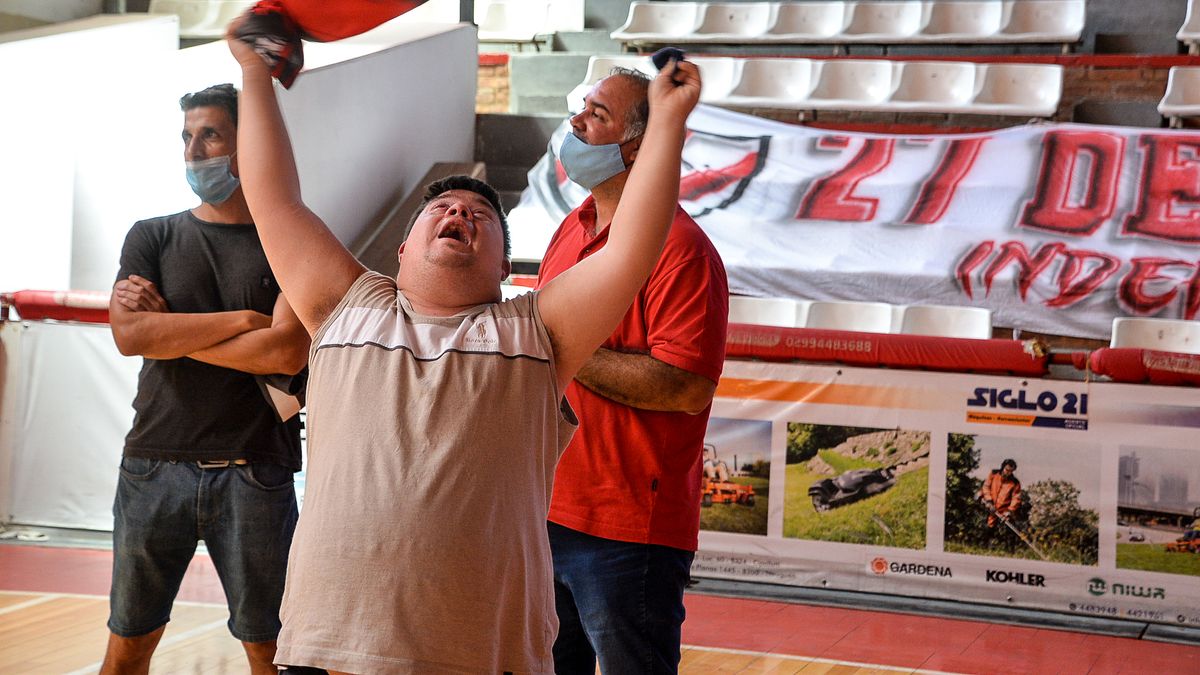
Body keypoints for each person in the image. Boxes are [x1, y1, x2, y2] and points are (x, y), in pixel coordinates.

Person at [226, 22, 702, 674]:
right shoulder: (346, 303)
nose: (459, 214)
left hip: (485, 658)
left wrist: (669, 120)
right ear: (400, 248)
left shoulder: (533, 330)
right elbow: (272, 197)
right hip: (325, 652)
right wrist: (254, 74)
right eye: (442, 208)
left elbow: (631, 249)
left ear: (504, 268)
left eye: (479, 217)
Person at [103, 83, 310, 675]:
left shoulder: (288, 241)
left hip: (256, 470)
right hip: (152, 467)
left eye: (211, 134)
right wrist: (240, 323)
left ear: (252, 145)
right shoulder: (151, 235)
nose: (195, 150)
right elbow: (131, 337)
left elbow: (285, 351)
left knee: (271, 653)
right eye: (187, 137)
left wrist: (172, 329)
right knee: (126, 649)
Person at [535, 66, 730, 674]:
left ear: (640, 147)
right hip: (546, 509)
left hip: (627, 529)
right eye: (581, 109)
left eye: (596, 116)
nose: (575, 124)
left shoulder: (682, 250)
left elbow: (684, 387)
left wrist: (565, 343)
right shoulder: (572, 227)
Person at [981, 458, 1022, 527]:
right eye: (1007, 470)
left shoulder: (1015, 483)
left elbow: (1016, 499)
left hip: (1002, 513)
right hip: (988, 507)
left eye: (1011, 471)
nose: (1008, 473)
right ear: (1003, 467)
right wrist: (989, 501)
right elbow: (986, 487)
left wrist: (1009, 511)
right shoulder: (993, 474)